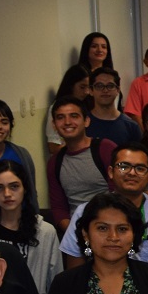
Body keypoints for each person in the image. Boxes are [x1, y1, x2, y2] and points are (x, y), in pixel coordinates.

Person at [60, 143, 148, 272]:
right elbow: (74, 270)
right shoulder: (85, 212)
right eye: (124, 166)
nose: (132, 173)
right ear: (111, 172)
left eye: (140, 168)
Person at [0, 160, 62, 294]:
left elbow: (56, 283)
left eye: (14, 186)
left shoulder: (45, 231)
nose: (7, 194)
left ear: (25, 188)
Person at [46, 96, 117, 232]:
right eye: (60, 117)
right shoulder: (55, 162)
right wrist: (75, 234)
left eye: (74, 116)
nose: (67, 122)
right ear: (54, 125)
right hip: (76, 230)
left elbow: (119, 194)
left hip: (110, 226)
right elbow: (59, 208)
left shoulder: (105, 149)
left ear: (86, 121)